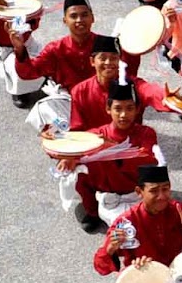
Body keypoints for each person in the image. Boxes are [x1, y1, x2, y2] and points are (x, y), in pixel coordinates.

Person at [63, 80, 161, 230]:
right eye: (118, 108)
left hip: (135, 196)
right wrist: (59, 149)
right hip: (106, 198)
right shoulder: (97, 135)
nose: (123, 114)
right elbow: (71, 149)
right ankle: (92, 211)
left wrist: (115, 150)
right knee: (78, 170)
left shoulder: (146, 133)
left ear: (136, 110)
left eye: (129, 108)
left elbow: (149, 161)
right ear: (108, 109)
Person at [92, 164, 182, 271]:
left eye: (165, 189)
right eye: (154, 191)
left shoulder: (179, 210)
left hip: (180, 271)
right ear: (139, 192)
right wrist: (110, 250)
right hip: (144, 276)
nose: (161, 196)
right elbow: (101, 267)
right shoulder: (125, 222)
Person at [11, 0, 106, 100]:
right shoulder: (55, 49)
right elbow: (28, 73)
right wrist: (20, 50)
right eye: (73, 16)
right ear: (65, 21)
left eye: (84, 15)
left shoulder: (106, 45)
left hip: (101, 101)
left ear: (92, 18)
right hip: (67, 102)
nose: (79, 20)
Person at [66, 36, 164, 132]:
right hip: (95, 143)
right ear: (92, 61)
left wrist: (166, 96)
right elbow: (76, 129)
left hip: (131, 143)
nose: (108, 62)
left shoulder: (133, 85)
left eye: (113, 58)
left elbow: (151, 92)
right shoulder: (80, 91)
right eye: (103, 58)